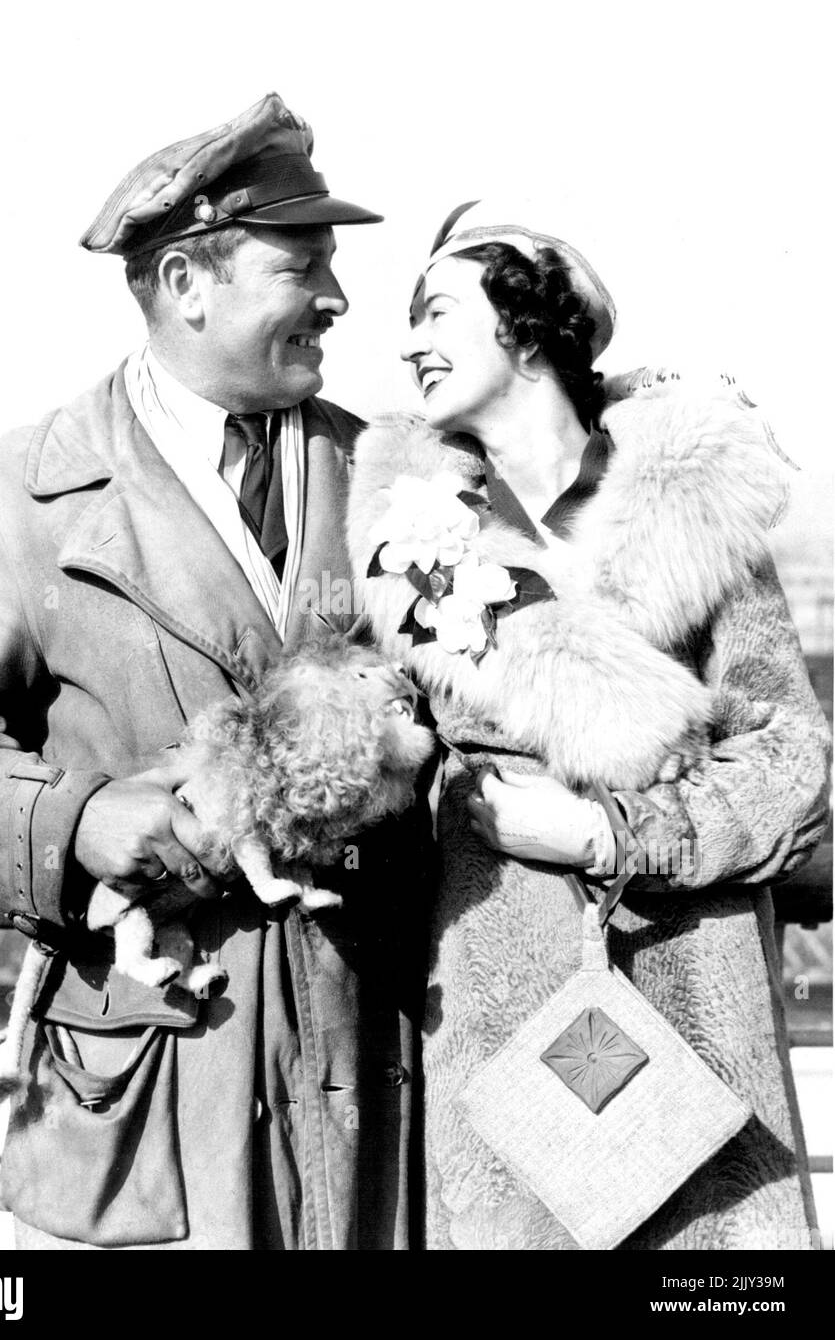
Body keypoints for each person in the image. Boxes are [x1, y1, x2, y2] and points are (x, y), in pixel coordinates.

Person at [0, 94, 430, 1251]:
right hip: (154, 1074)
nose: (335, 297)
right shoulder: (25, 494)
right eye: (301, 263)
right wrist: (76, 821)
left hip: (365, 1067)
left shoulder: (387, 474)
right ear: (186, 281)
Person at [347, 200, 831, 1250]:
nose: (408, 343)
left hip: (691, 987)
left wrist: (610, 835)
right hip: (489, 995)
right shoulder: (404, 538)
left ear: (523, 327)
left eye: (437, 311)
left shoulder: (690, 507)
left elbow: (790, 757)